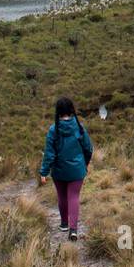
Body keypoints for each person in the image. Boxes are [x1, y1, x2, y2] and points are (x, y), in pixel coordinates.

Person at [38, 96, 93, 241]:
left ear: (58, 111)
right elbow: (88, 148)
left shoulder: (53, 130)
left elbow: (49, 154)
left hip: (59, 170)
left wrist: (44, 172)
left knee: (62, 196)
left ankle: (64, 224)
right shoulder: (79, 127)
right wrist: (85, 163)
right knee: (74, 197)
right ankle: (73, 230)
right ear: (71, 110)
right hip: (77, 169)